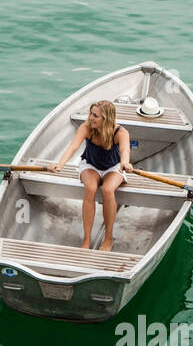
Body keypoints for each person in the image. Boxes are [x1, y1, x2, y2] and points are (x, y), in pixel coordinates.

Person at [50, 100, 134, 251]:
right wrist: (60, 164)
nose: (90, 118)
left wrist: (125, 163)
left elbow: (125, 151)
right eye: (91, 113)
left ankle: (108, 239)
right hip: (90, 165)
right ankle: (86, 240)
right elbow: (73, 147)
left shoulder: (121, 133)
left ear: (106, 119)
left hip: (113, 167)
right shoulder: (86, 128)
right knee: (91, 188)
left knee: (108, 190)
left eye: (95, 115)